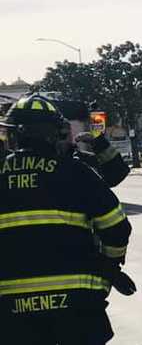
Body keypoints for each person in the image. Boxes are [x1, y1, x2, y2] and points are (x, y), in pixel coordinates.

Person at [0, 95, 134, 344]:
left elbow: (115, 173)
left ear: (12, 135)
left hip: (10, 312)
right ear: (56, 133)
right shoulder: (74, 171)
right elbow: (117, 227)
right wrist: (109, 267)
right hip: (78, 306)